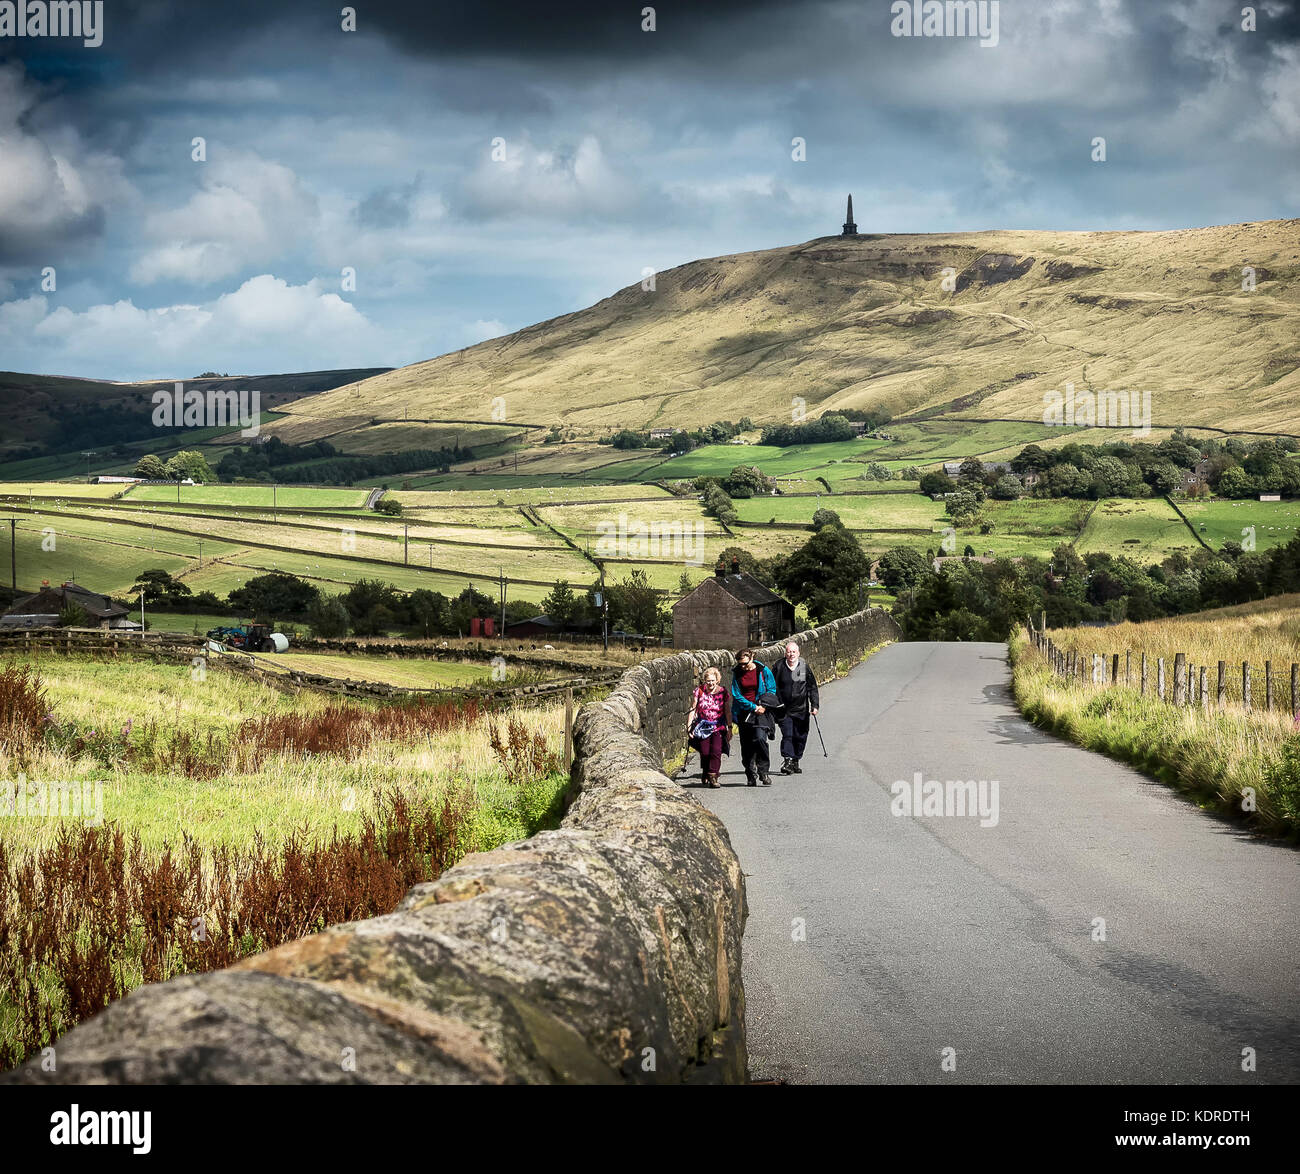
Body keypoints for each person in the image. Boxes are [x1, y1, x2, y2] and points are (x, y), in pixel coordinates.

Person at [730, 648, 777, 786]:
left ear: (752, 657)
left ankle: (763, 771)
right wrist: (752, 707)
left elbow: (771, 689)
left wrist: (763, 705)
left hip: (762, 710)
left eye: (745, 663)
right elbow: (736, 695)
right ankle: (750, 774)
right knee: (746, 745)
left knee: (760, 739)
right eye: (740, 664)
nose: (743, 667)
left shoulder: (763, 670)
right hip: (745, 711)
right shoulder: (737, 673)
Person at [773, 640, 819, 774]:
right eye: (789, 651)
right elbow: (772, 686)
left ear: (798, 653)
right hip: (784, 709)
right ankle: (787, 760)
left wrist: (814, 705)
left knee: (800, 736)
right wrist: (776, 704)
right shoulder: (779, 666)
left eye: (794, 652)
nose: (791, 654)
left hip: (801, 709)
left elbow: (812, 687)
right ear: (785, 653)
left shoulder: (802, 667)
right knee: (788, 734)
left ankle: (795, 759)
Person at [686, 665, 732, 788]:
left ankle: (713, 776)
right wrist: (689, 726)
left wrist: (730, 727)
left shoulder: (723, 692)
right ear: (705, 681)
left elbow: (727, 711)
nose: (710, 683)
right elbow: (693, 709)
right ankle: (706, 771)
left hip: (718, 726)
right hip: (703, 726)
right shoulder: (699, 691)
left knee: (716, 752)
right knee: (705, 752)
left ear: (717, 680)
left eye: (713, 680)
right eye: (708, 681)